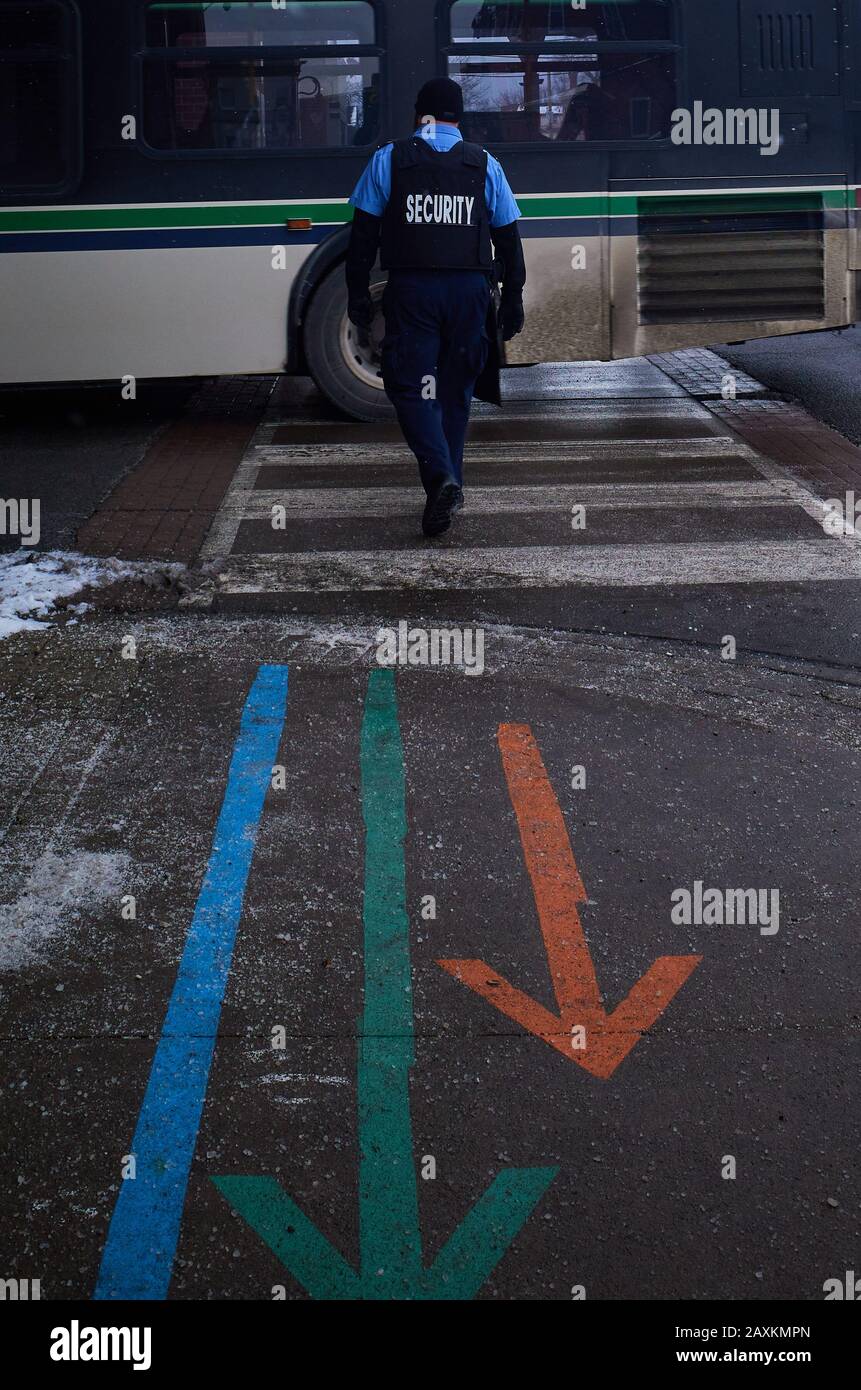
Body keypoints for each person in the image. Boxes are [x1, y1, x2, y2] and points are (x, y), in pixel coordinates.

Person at [345, 77, 526, 537]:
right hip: (469, 291)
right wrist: (514, 299)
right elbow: (508, 238)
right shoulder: (484, 164)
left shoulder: (389, 159)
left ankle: (440, 478)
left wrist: (357, 294)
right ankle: (447, 486)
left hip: (414, 290)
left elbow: (362, 237)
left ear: (419, 114)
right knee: (455, 391)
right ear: (458, 117)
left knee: (409, 386)